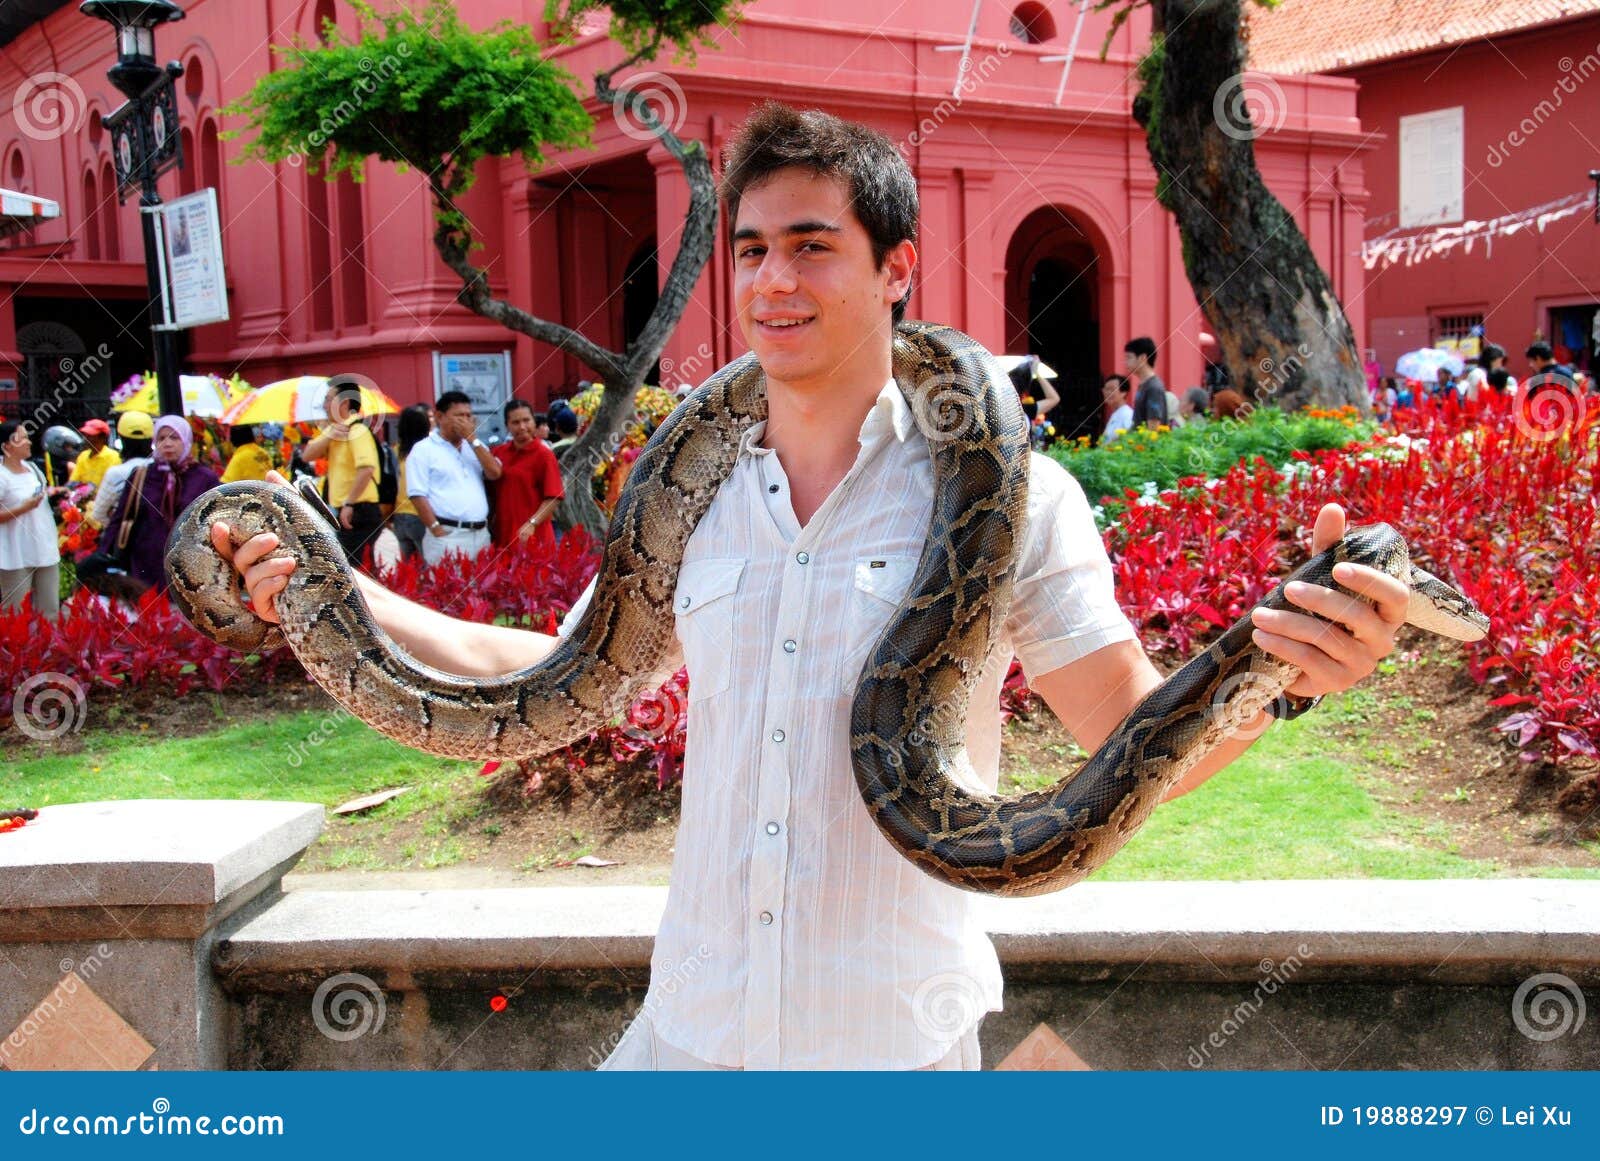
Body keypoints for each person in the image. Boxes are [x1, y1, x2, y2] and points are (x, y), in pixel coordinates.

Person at [210, 102, 1409, 1071]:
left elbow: (1127, 737)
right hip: (691, 1031)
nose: (771, 281)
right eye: (750, 250)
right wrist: (329, 590)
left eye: (811, 246)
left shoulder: (1016, 498)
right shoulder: (686, 500)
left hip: (887, 1048)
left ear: (896, 269)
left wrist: (1287, 674)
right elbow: (550, 681)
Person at [96, 415, 218, 594]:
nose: (167, 444)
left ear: (186, 440)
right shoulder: (141, 475)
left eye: (174, 437)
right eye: (161, 438)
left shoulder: (204, 478)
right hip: (145, 566)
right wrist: (103, 554)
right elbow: (120, 517)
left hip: (190, 567)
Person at [403, 390, 503, 567]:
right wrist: (436, 529)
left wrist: (472, 439)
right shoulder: (423, 449)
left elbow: (495, 473)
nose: (465, 421)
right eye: (459, 416)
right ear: (439, 417)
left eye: (468, 416)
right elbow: (417, 494)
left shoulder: (475, 446)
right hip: (448, 535)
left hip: (480, 534)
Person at [301, 379, 384, 567]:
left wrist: (349, 503)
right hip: (347, 510)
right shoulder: (335, 430)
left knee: (355, 570)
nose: (324, 405)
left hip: (358, 510)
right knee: (352, 567)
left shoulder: (357, 429)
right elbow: (307, 455)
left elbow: (367, 469)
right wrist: (330, 434)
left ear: (344, 402)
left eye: (328, 399)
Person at [0, 420, 63, 620]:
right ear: (7, 446)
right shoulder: (2, 475)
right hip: (14, 555)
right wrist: (23, 508)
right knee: (15, 615)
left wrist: (58, 494)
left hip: (44, 549)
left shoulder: (33, 469)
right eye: (23, 438)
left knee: (50, 612)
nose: (29, 442)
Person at [492, 399, 564, 551]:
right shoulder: (499, 453)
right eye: (515, 422)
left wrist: (532, 523)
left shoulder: (544, 455)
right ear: (507, 425)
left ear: (534, 422)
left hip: (534, 537)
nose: (522, 427)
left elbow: (554, 497)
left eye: (526, 420)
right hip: (503, 536)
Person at [89, 411, 154, 530]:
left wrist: (120, 529)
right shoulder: (165, 469)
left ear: (122, 439)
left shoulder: (115, 473)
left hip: (127, 539)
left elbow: (98, 513)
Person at [389, 404, 432, 563]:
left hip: (399, 517)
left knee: (409, 570)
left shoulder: (395, 451)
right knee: (429, 568)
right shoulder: (428, 451)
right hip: (421, 514)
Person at [1123, 336, 1168, 429]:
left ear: (1143, 358)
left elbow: (1153, 428)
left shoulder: (1153, 387)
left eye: (1129, 357)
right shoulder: (1143, 385)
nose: (1125, 362)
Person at [68, 418, 120, 490]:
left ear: (102, 438)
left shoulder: (113, 457)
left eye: (90, 435)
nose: (86, 438)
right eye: (86, 435)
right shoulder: (83, 456)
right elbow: (74, 481)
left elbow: (113, 485)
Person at [1100, 374, 1134, 443]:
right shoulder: (1115, 414)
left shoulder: (1128, 415)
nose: (1108, 393)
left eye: (1112, 389)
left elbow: (1130, 440)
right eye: (1106, 389)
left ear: (1123, 393)